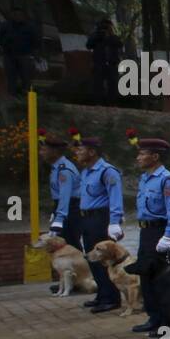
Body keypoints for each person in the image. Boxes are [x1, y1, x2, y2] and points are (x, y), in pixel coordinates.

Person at [129, 135, 170, 336]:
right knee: (147, 276)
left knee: (164, 280)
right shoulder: (145, 179)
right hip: (146, 231)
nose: (138, 157)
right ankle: (154, 317)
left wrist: (169, 235)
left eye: (142, 154)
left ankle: (168, 322)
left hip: (161, 232)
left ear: (155, 156)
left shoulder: (167, 180)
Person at [75, 134, 125, 313]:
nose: (77, 153)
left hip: (100, 218)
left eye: (80, 149)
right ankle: (102, 295)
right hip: (87, 218)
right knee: (92, 258)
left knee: (103, 259)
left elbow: (115, 198)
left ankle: (112, 297)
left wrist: (114, 222)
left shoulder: (107, 171)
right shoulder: (86, 171)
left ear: (92, 151)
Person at [39, 132, 81, 250]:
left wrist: (59, 219)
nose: (41, 153)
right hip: (64, 208)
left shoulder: (64, 170)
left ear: (54, 151)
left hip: (70, 209)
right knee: (63, 246)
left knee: (70, 246)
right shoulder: (56, 168)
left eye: (44, 150)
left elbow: (65, 196)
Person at [0, 7, 39, 97]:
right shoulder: (6, 25)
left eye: (19, 15)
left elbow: (35, 41)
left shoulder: (30, 26)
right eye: (15, 14)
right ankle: (12, 96)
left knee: (26, 77)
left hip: (24, 55)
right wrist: (4, 45)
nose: (17, 17)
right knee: (10, 77)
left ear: (23, 16)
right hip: (9, 55)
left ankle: (27, 97)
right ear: (11, 15)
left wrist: (34, 54)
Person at [86, 19, 123, 103]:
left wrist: (110, 35)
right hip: (99, 63)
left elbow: (120, 44)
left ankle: (112, 103)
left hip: (112, 64)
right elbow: (88, 45)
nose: (105, 29)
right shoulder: (95, 36)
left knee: (113, 84)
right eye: (103, 26)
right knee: (98, 84)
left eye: (107, 27)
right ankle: (98, 102)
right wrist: (98, 36)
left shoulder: (113, 37)